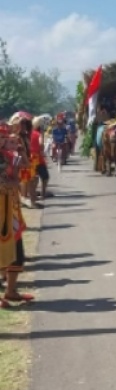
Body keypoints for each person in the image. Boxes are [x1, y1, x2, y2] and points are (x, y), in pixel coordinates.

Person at [0, 120, 31, 309]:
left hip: (10, 208)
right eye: (1, 137)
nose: (3, 140)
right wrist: (9, 184)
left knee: (17, 250)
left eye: (4, 137)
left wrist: (21, 150)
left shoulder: (9, 156)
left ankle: (11, 290)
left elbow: (25, 165)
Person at [30, 118, 50, 203]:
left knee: (32, 178)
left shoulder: (28, 133)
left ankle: (33, 195)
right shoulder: (38, 134)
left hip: (29, 157)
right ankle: (42, 194)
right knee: (45, 177)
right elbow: (41, 146)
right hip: (37, 158)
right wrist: (42, 134)